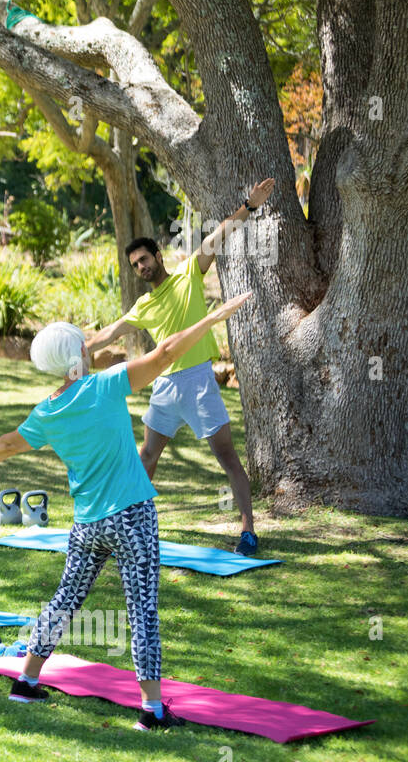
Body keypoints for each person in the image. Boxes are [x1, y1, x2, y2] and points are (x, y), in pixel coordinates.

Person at [0, 291, 252, 730]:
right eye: (82, 348)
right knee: (142, 609)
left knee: (64, 601)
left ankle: (27, 681)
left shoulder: (47, 412)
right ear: (75, 358)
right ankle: (151, 710)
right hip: (131, 516)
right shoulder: (106, 385)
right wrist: (211, 319)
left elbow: (10, 443)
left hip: (88, 524)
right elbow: (166, 352)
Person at [86, 178, 274, 555]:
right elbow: (110, 331)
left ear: (157, 255)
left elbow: (219, 236)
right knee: (147, 457)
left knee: (226, 456)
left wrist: (249, 207)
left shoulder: (189, 274)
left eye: (144, 259)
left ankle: (248, 531)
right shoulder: (144, 307)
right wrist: (81, 344)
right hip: (165, 386)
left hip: (199, 381)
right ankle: (130, 526)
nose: (140, 267)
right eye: (135, 264)